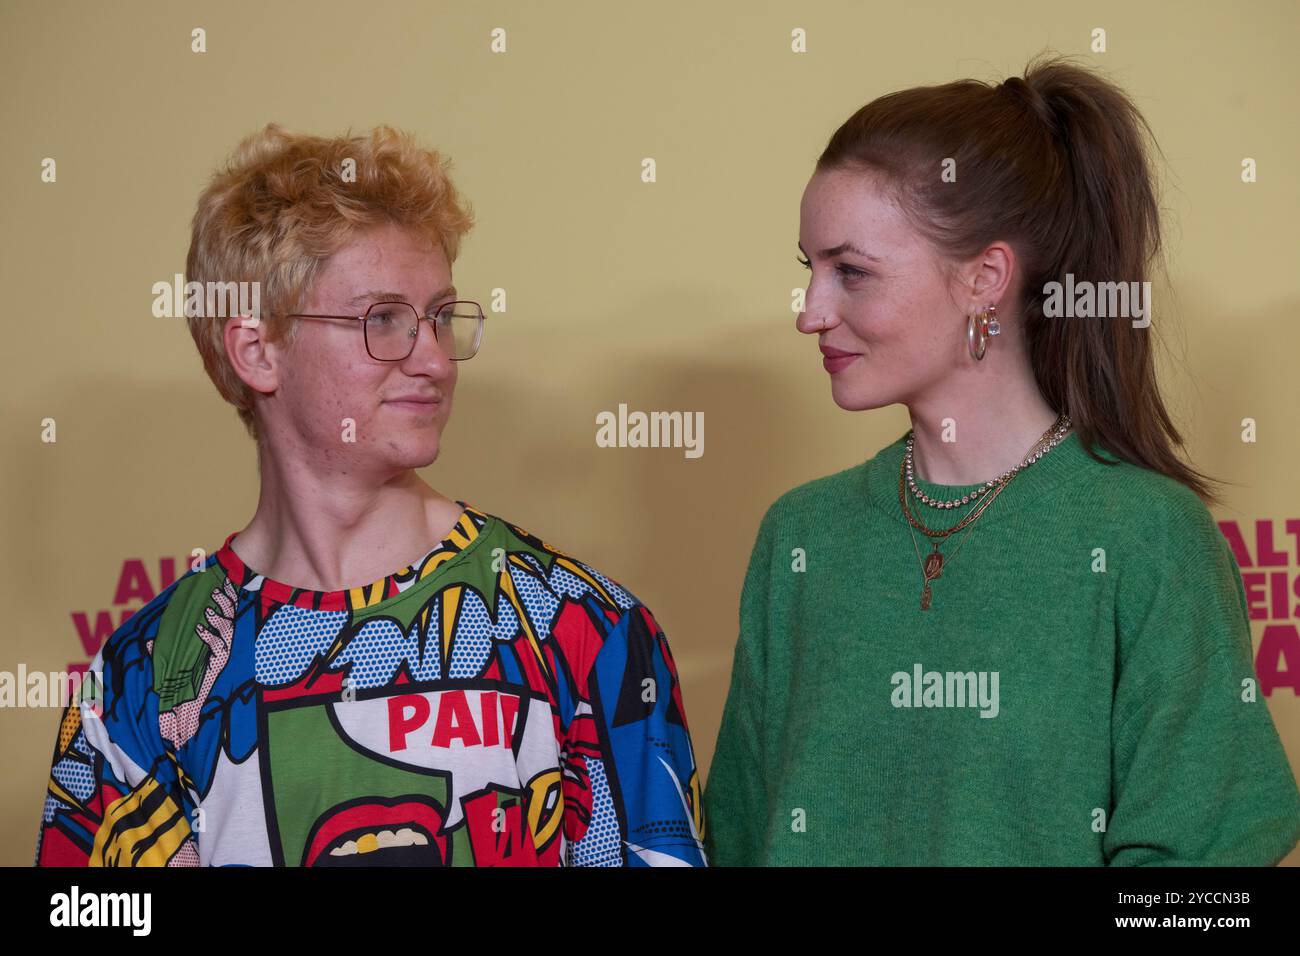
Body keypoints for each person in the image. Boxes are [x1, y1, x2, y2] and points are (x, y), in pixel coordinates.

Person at [35, 124, 706, 867]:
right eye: (383, 319)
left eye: (442, 318)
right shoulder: (143, 679)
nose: (433, 361)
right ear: (257, 350)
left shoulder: (586, 632)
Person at [703, 54, 1300, 865]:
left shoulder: (1147, 539)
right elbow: (737, 837)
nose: (811, 311)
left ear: (985, 278)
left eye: (852, 272)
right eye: (809, 270)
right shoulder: (800, 535)